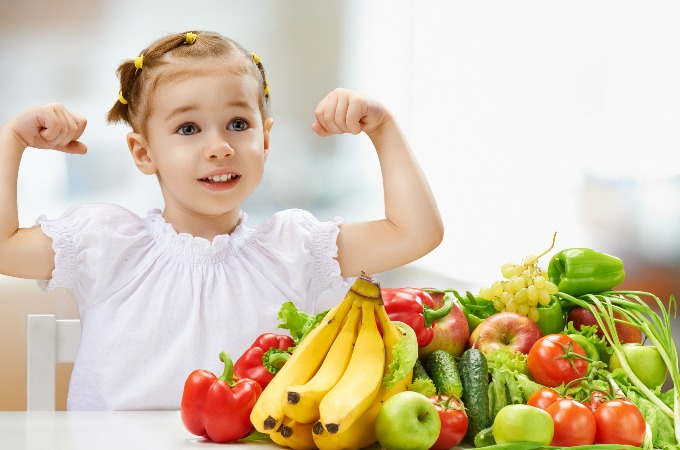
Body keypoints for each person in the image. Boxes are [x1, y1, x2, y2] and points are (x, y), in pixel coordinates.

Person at [0, 30, 443, 410]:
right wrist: (13, 139)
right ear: (143, 152)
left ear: (265, 138)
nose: (219, 147)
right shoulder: (105, 243)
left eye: (237, 123)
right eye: (188, 129)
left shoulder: (295, 248)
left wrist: (383, 129)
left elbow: (416, 233)